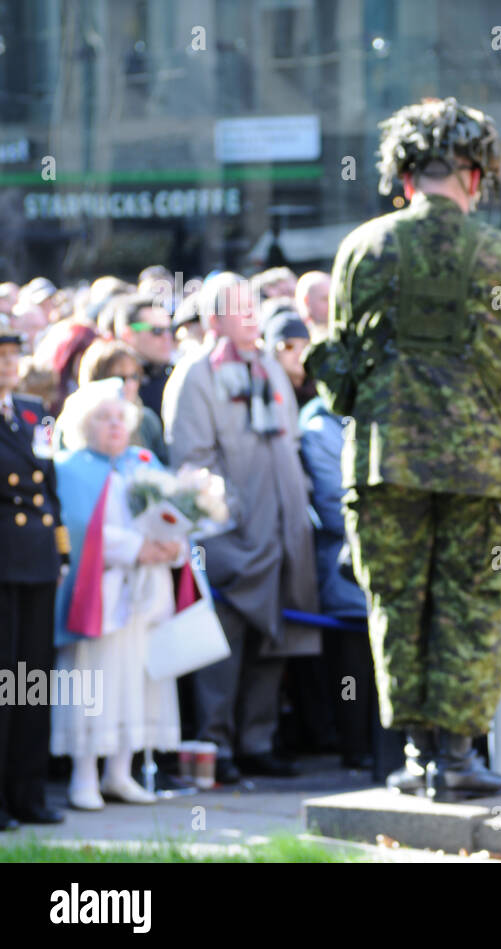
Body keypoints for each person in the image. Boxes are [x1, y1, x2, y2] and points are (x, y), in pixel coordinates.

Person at [304, 98, 501, 800]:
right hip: (481, 469)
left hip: (386, 463)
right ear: (476, 175)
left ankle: (417, 754)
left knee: (396, 605)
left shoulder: (362, 247)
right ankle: (456, 756)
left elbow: (339, 376)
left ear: (404, 173)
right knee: (471, 603)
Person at [163, 273, 321, 785]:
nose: (252, 316)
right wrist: (236, 523)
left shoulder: (269, 366)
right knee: (224, 647)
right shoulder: (195, 375)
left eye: (253, 306)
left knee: (274, 641)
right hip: (229, 540)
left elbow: (290, 443)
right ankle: (216, 744)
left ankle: (258, 740)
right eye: (239, 309)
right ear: (213, 319)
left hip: (283, 534)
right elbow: (192, 462)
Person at [49, 379, 184, 810]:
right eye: (103, 418)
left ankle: (120, 773)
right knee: (94, 683)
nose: (113, 426)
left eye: (118, 418)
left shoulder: (143, 463)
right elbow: (77, 532)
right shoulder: (69, 469)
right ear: (85, 425)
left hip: (147, 593)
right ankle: (84, 777)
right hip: (101, 595)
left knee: (140, 682)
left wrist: (173, 546)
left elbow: (177, 517)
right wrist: (134, 548)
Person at [0, 320, 67, 829]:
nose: (7, 365)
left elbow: (52, 489)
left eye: (12, 355)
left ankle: (28, 792)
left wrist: (60, 553)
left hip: (38, 559)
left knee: (32, 682)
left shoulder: (34, 411)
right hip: (3, 558)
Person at [299, 392, 378, 771]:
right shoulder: (320, 428)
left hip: (378, 562)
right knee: (351, 672)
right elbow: (334, 506)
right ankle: (353, 745)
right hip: (344, 570)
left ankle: (377, 747)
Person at [76, 338, 167, 464]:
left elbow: (161, 469)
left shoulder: (147, 421)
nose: (129, 385)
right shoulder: (75, 420)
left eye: (134, 376)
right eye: (120, 377)